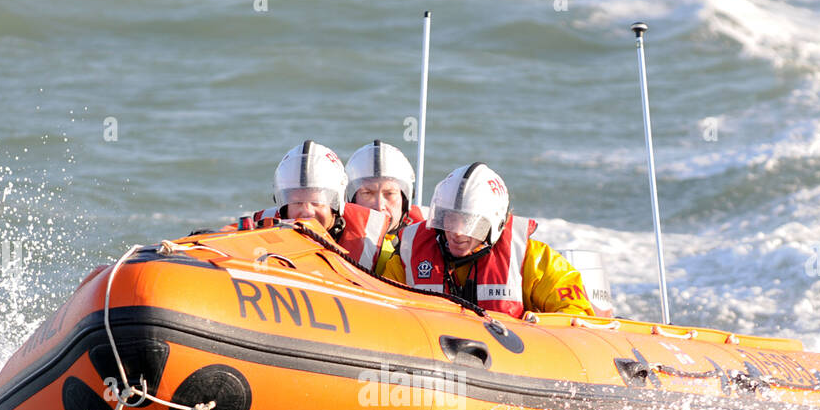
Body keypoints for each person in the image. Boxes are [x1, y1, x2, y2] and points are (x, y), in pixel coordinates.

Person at [381, 163, 594, 317]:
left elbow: (575, 313)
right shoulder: (409, 256)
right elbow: (383, 306)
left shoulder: (529, 256)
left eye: (470, 223)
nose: (457, 232)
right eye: (449, 219)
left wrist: (538, 326)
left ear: (495, 225)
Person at [233, 141, 392, 271]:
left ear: (336, 205)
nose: (307, 211)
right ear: (283, 206)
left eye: (316, 202)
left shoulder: (376, 244)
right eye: (297, 202)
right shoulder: (257, 233)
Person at [345, 140, 425, 231]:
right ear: (352, 201)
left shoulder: (431, 240)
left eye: (390, 193)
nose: (379, 207)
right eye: (367, 193)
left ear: (405, 202)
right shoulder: (331, 242)